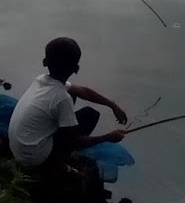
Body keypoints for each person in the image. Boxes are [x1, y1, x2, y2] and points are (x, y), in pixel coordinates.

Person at [8, 37, 128, 169]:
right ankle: (60, 159)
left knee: (73, 93)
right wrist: (107, 137)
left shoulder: (41, 80)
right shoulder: (61, 98)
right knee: (90, 115)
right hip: (34, 159)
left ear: (44, 62)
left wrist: (112, 105)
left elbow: (83, 92)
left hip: (20, 150)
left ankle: (61, 137)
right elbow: (74, 142)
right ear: (76, 69)